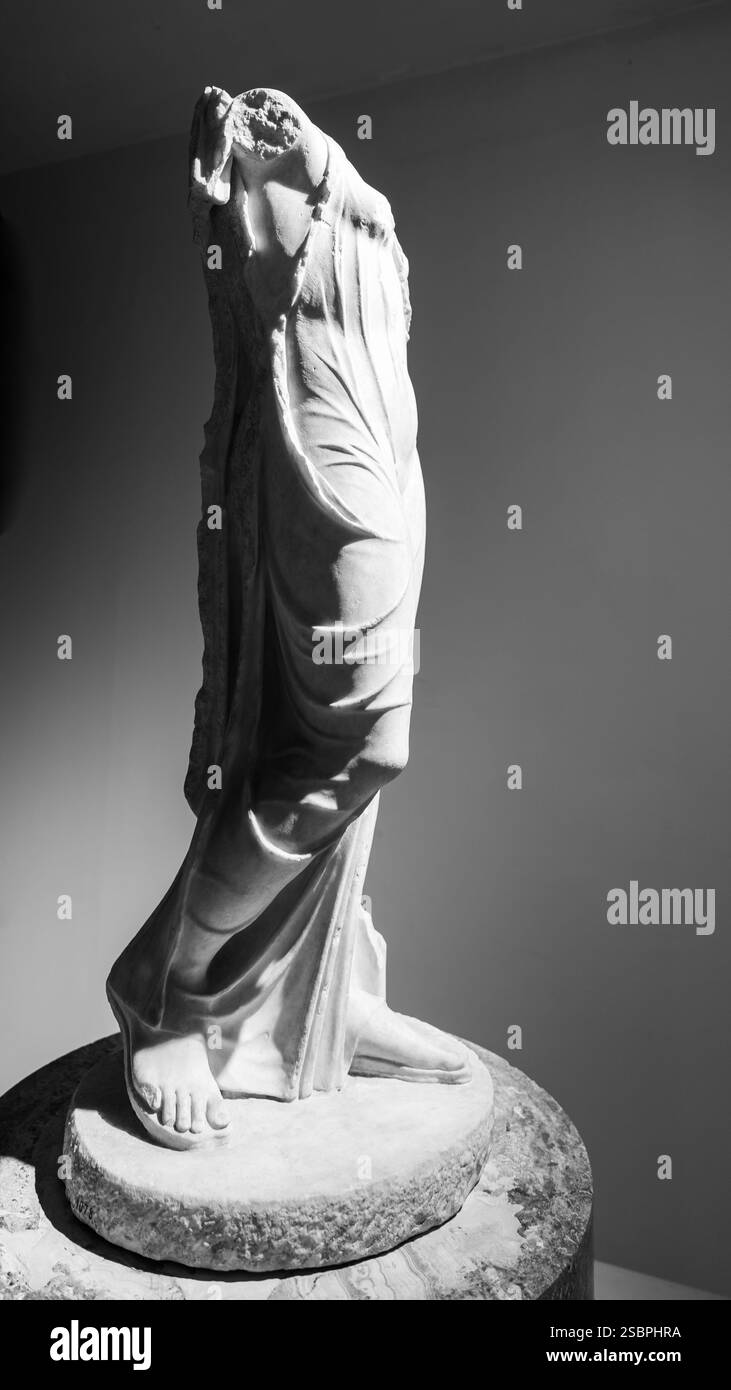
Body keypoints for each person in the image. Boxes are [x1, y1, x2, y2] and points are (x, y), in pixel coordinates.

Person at [107, 88, 470, 1150]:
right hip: (323, 451)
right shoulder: (235, 159)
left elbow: (359, 253)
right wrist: (279, 159)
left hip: (386, 444)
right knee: (354, 744)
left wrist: (317, 160)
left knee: (329, 744)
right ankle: (167, 984)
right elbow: (257, 283)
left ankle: (318, 993)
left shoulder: (319, 168)